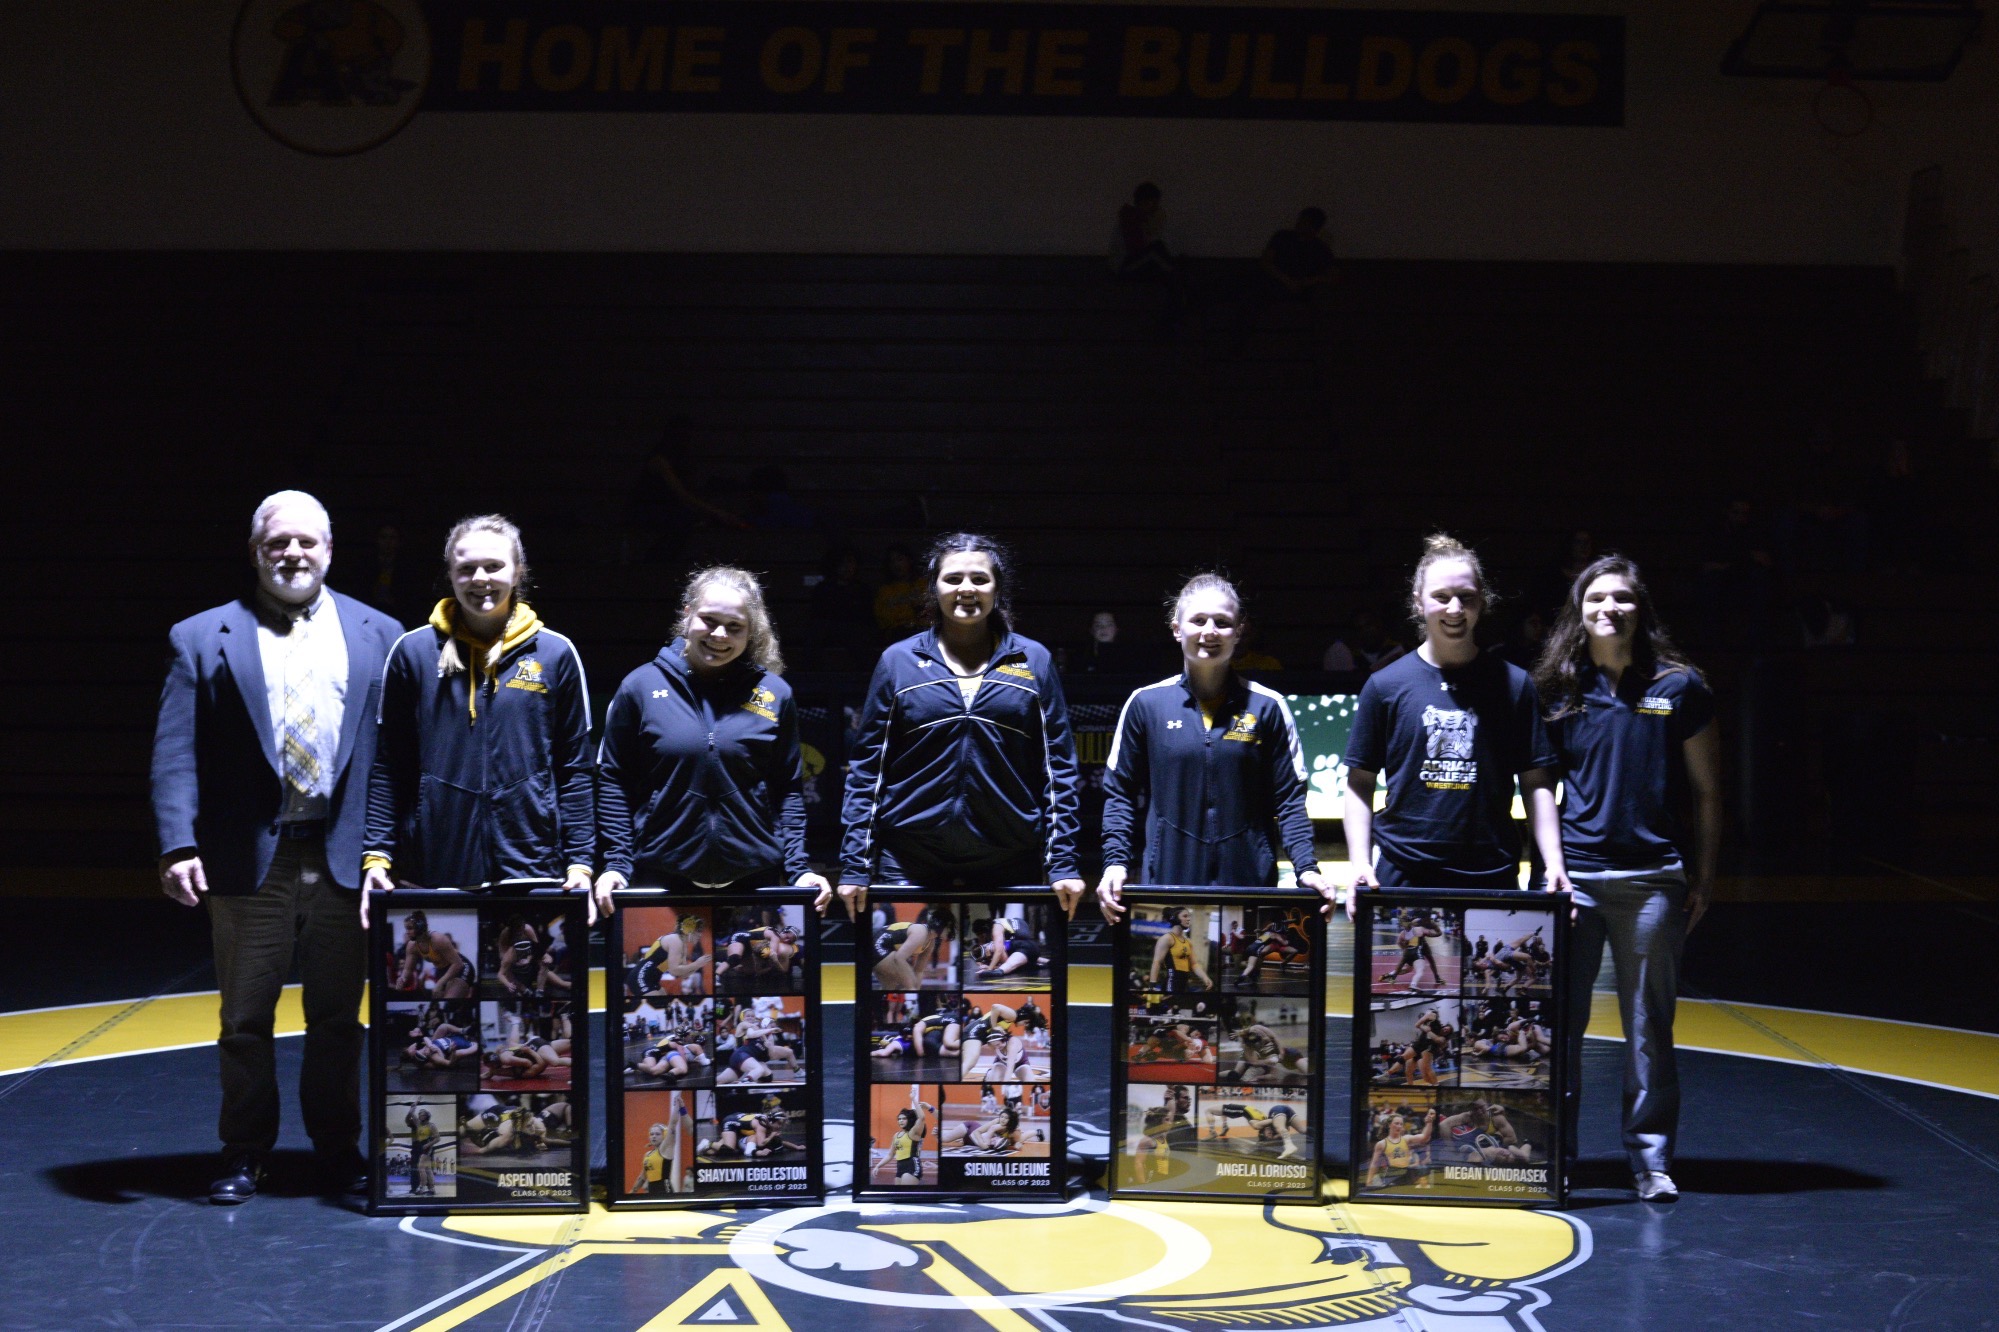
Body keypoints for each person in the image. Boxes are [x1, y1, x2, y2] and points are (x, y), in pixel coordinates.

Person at [150, 490, 403, 1204]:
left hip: (342, 855)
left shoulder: (380, 633)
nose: (292, 555)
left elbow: (397, 754)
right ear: (255, 550)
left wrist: (391, 848)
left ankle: (336, 1151)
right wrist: (176, 844)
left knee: (335, 1018)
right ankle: (244, 1151)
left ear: (329, 549)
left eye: (306, 543)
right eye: (277, 544)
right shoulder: (201, 636)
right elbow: (175, 751)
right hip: (247, 858)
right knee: (244, 1020)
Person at [1534, 554, 1721, 1204]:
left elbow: (1705, 792)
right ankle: (1554, 1158)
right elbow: (1535, 793)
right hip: (1575, 884)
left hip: (1651, 880)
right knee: (1559, 1028)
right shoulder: (1554, 691)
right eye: (1595, 600)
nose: (1608, 609)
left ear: (1639, 610)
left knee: (1649, 1028)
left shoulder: (1678, 687)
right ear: (1578, 612)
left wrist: (1704, 875)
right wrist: (1546, 874)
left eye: (1621, 600)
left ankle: (1649, 1162)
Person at [834, 533, 1085, 918]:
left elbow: (1059, 771)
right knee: (901, 975)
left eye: (979, 579)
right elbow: (868, 771)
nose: (966, 589)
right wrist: (856, 865)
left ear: (997, 588)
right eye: (952, 579)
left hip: (1008, 862)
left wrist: (1062, 862)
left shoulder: (1034, 660)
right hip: (908, 862)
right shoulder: (898, 662)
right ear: (933, 588)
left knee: (1007, 975)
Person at [361, 515, 594, 917]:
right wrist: (378, 854)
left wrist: (581, 861)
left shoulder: (556, 654)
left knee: (525, 977)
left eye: (494, 566)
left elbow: (574, 769)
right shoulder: (412, 653)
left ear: (518, 571)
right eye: (466, 569)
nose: (480, 578)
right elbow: (388, 766)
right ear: (450, 575)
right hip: (435, 870)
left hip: (533, 871)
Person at [593, 567, 832, 918]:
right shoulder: (640, 687)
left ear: (751, 632)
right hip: (659, 881)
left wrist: (799, 869)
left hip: (755, 884)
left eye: (734, 626)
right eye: (709, 620)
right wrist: (616, 864)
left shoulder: (775, 695)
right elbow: (614, 782)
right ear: (688, 614)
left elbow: (788, 789)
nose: (720, 635)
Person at [1342, 535, 1569, 899]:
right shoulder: (1385, 685)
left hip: (1491, 872)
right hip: (1404, 872)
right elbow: (1359, 783)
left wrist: (1554, 862)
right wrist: (1359, 863)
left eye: (1465, 597)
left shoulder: (1514, 684)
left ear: (1482, 601)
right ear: (1418, 602)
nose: (1454, 609)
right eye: (1441, 597)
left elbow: (1536, 782)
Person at [1097, 574, 1333, 921]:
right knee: (1172, 973)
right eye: (1198, 620)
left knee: (1243, 973)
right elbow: (1119, 793)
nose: (1210, 632)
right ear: (1177, 629)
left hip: (1249, 885)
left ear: (1239, 632)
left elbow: (1289, 800)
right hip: (1166, 887)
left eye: (1223, 623)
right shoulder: (1146, 704)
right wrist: (1115, 863)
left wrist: (1306, 868)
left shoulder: (1268, 706)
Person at [1321, 609, 1406, 675]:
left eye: (1369, 625)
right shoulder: (1344, 653)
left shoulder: (1398, 651)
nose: (1366, 631)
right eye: (1359, 628)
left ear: (1379, 624)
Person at [872, 544, 927, 642]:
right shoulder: (885, 591)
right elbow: (883, 619)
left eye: (900, 559)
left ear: (909, 560)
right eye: (892, 561)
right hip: (897, 634)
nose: (896, 565)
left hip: (922, 631)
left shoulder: (923, 585)